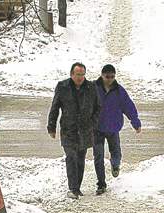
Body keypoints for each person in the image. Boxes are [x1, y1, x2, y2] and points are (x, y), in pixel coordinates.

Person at [47, 62, 101, 199]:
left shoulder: (91, 87)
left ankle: (77, 187)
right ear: (72, 74)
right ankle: (73, 188)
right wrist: (51, 126)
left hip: (85, 130)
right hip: (68, 129)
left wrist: (93, 123)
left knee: (80, 159)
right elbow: (55, 107)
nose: (80, 77)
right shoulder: (62, 87)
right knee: (71, 157)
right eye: (78, 74)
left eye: (82, 75)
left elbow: (98, 108)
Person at [93, 64, 142, 195]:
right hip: (96, 128)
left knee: (116, 152)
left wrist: (135, 122)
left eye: (112, 77)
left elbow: (128, 106)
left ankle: (115, 165)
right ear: (102, 75)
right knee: (98, 156)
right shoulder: (93, 88)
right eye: (107, 76)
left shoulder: (119, 91)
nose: (109, 79)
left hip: (113, 127)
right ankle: (101, 184)